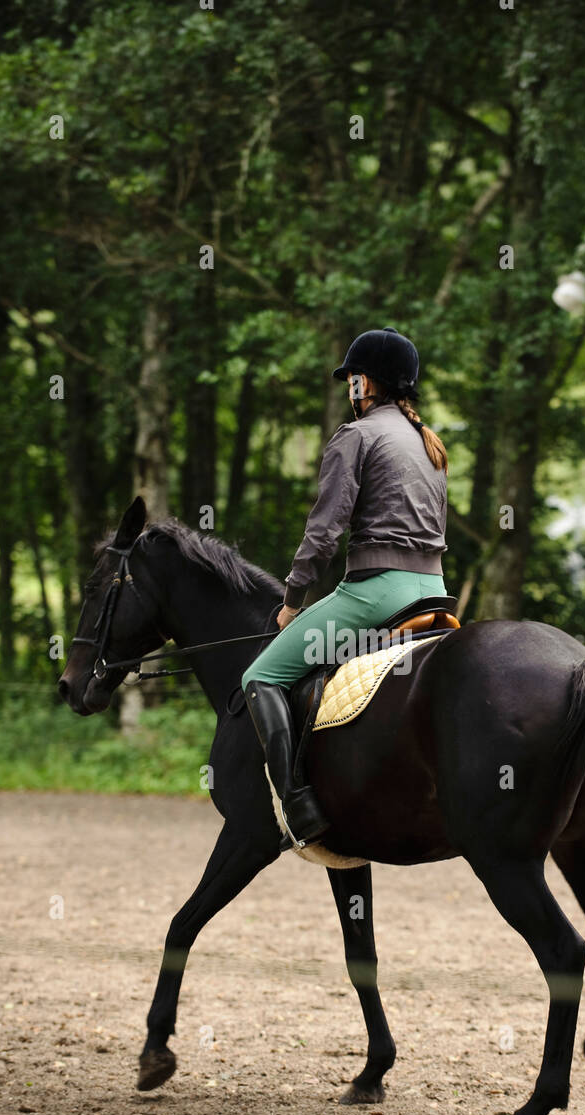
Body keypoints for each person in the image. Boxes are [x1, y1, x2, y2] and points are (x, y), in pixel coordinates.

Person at [241, 327, 449, 849]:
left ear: (364, 383)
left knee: (261, 676)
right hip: (434, 589)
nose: (348, 387)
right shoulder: (429, 442)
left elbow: (324, 530)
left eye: (351, 378)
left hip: (378, 592)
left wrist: (293, 601)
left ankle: (298, 805)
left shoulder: (357, 436)